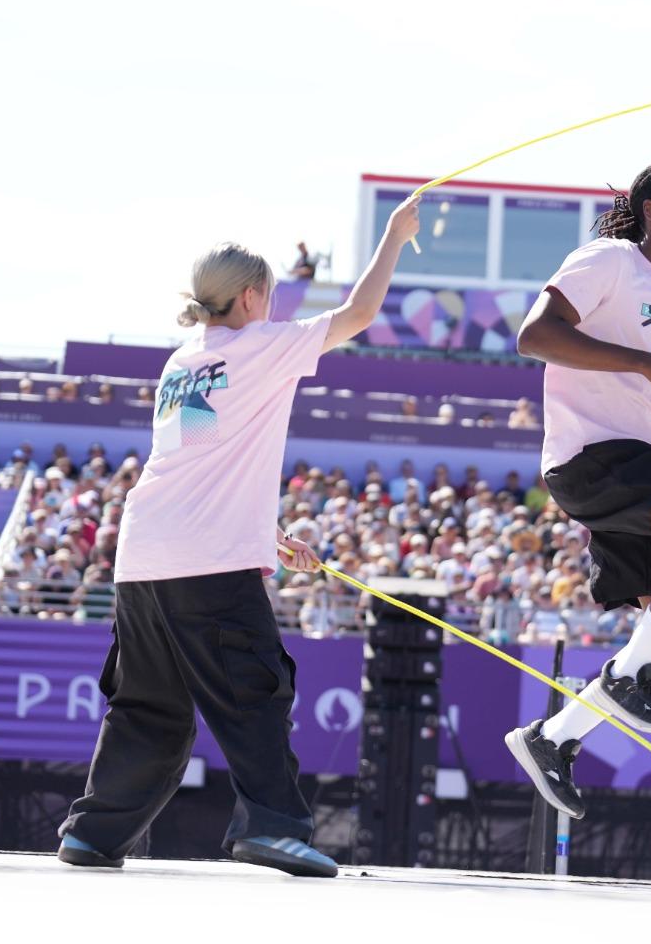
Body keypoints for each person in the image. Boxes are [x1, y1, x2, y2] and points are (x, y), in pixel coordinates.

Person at [57, 197, 419, 878]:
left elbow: (202, 454)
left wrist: (266, 532)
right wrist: (395, 237)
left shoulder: (184, 359)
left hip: (144, 554)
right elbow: (360, 315)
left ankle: (94, 834)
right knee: (255, 695)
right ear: (251, 296)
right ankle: (274, 829)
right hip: (208, 562)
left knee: (148, 708)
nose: (273, 306)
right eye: (270, 295)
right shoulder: (262, 345)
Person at [504, 160, 651, 820]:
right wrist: (646, 361)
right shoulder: (609, 260)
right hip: (590, 456)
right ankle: (626, 676)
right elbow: (534, 336)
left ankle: (553, 738)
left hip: (638, 467)